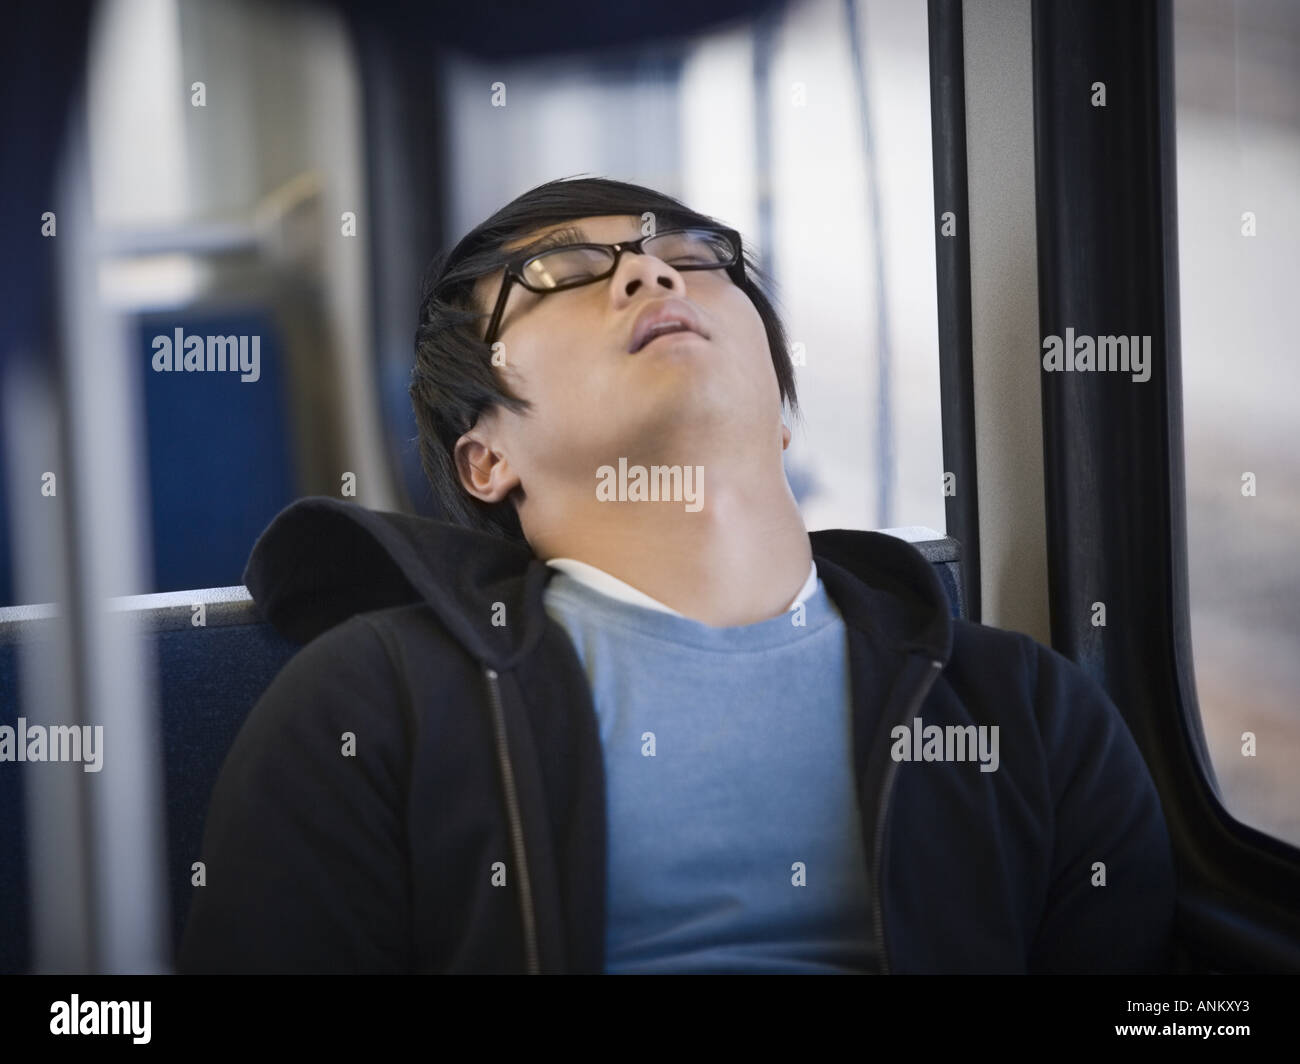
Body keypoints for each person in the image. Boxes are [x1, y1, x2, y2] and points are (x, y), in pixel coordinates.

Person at [178, 175, 1176, 974]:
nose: (650, 277)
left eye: (694, 258)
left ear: (782, 411)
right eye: (562, 273)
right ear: (486, 458)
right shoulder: (376, 706)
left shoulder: (1024, 708)